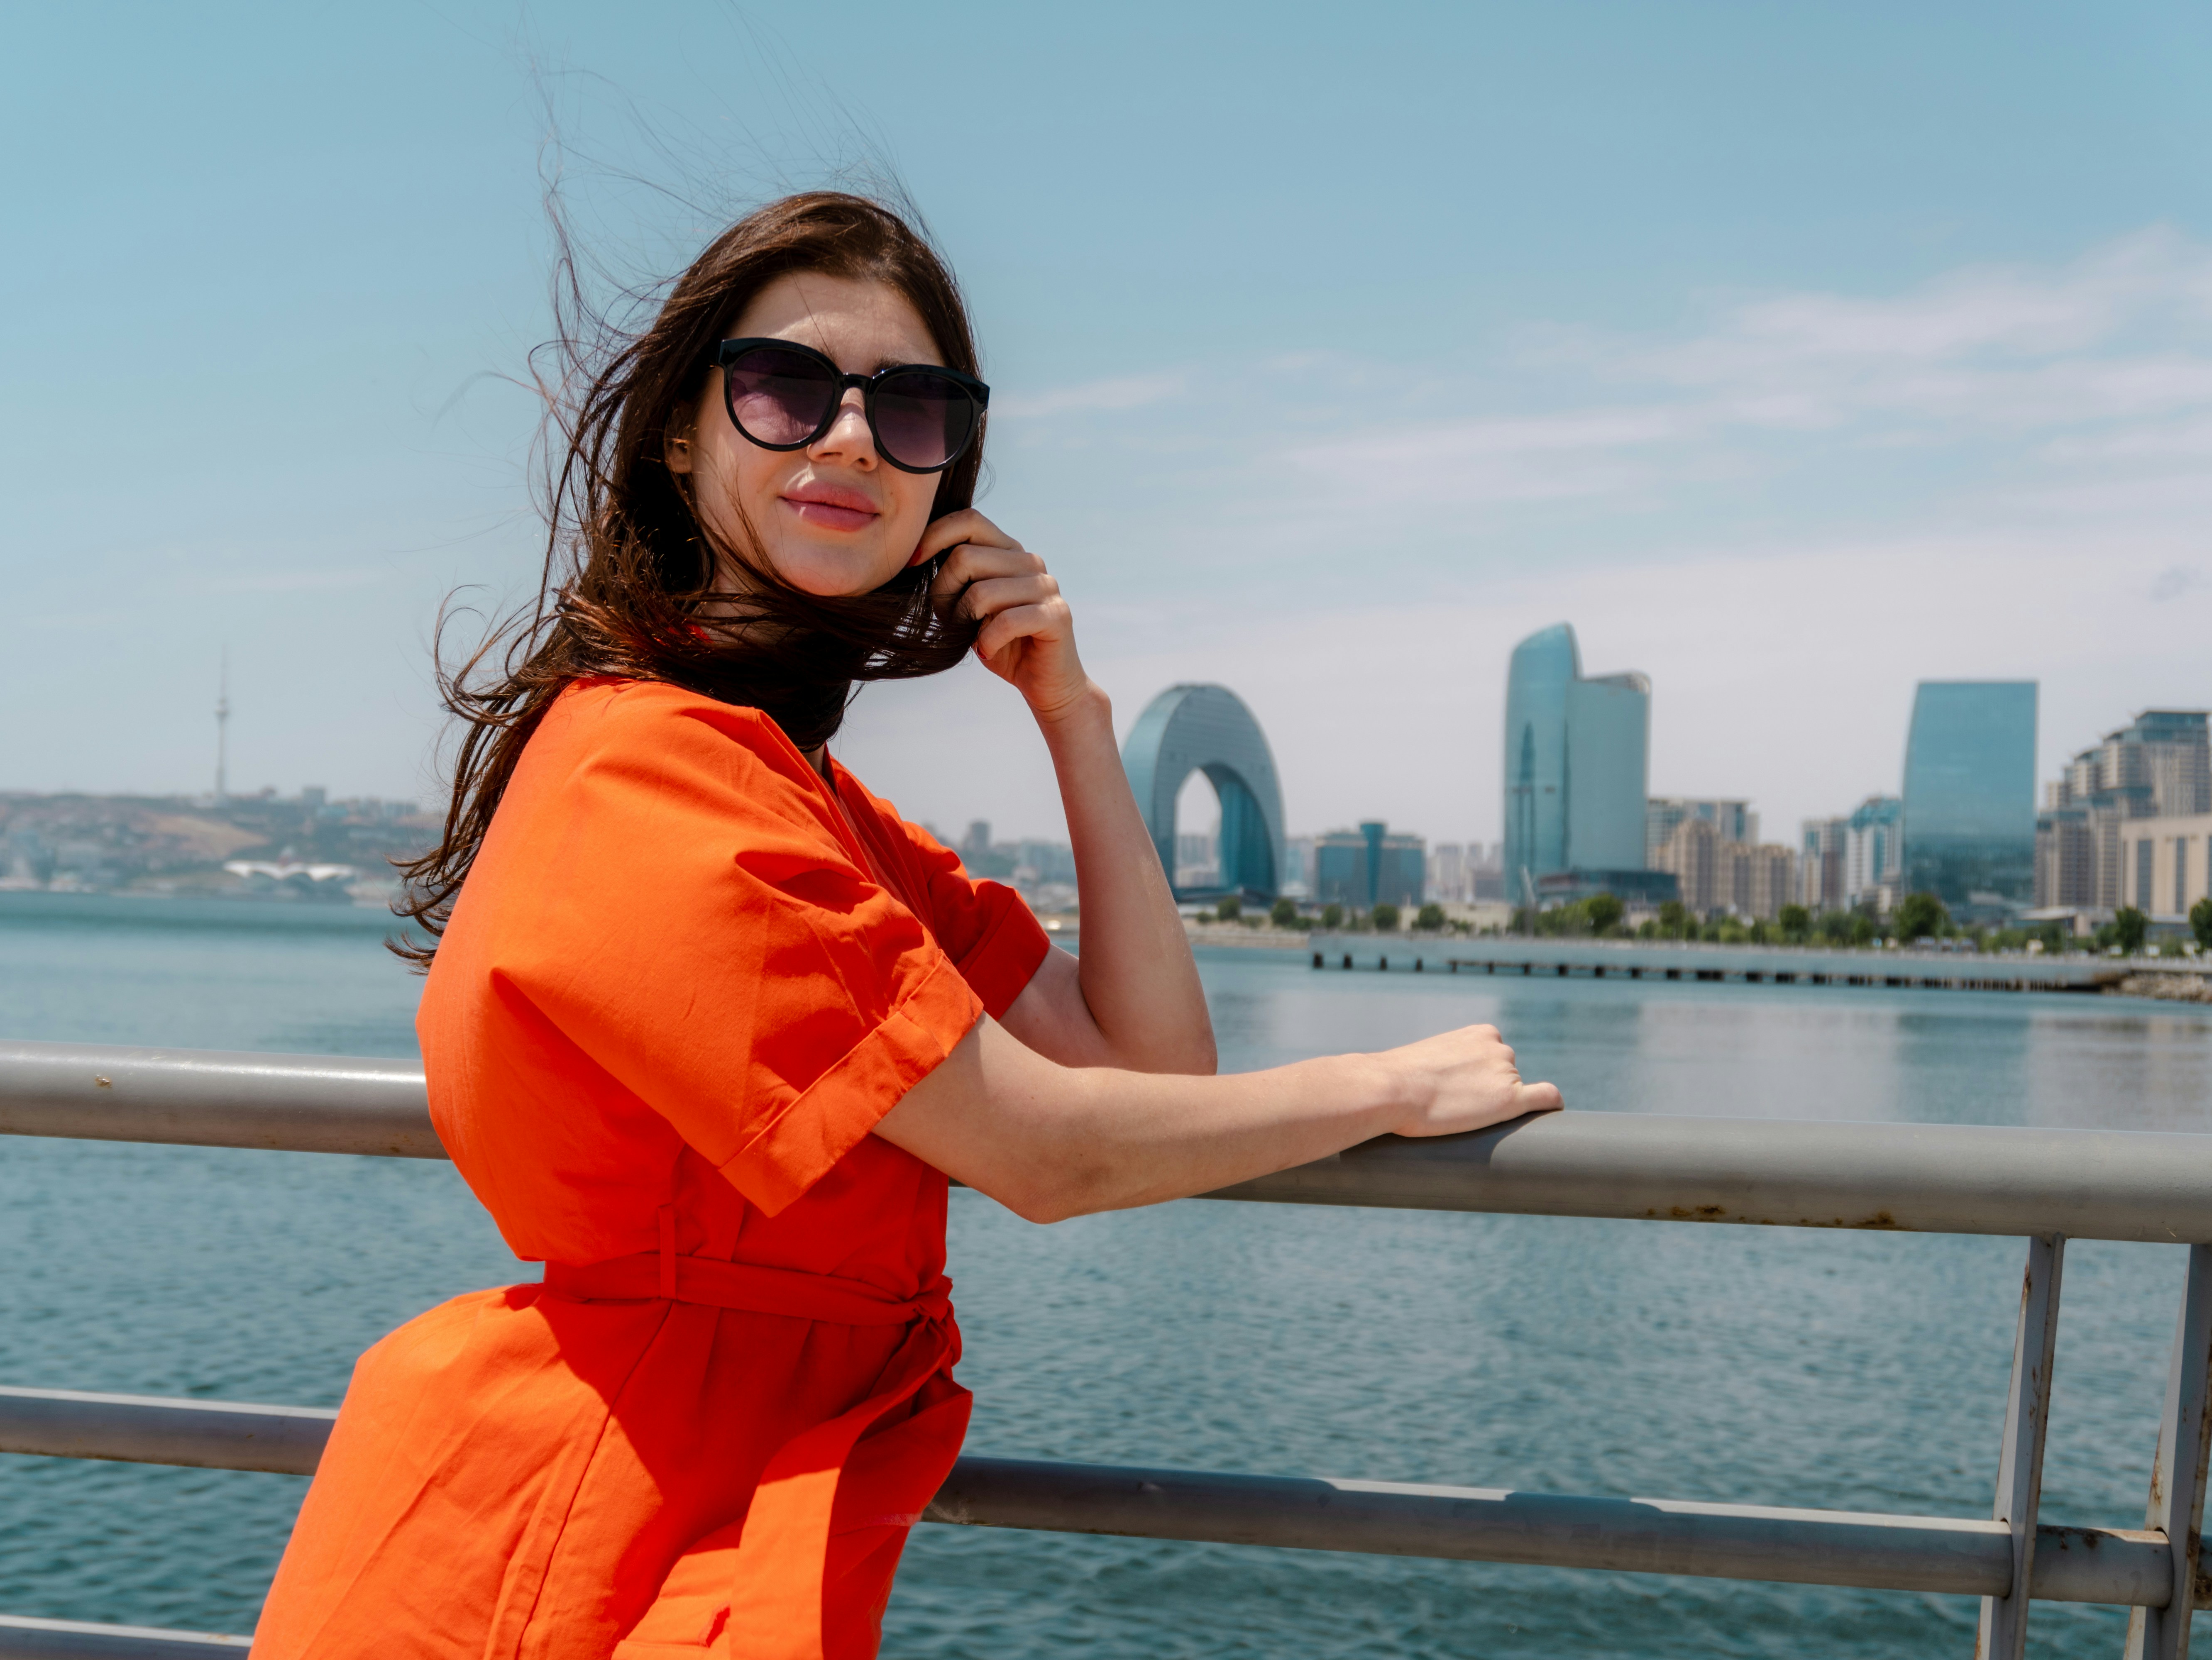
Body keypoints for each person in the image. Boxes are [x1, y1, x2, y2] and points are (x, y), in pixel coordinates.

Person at [250, 190, 1559, 1660]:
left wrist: (1074, 716)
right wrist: (1386, 1087)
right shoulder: (652, 775)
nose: (855, 438)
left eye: (913, 406)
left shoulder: (810, 803)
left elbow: (1150, 1073)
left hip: (701, 1503)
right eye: (785, 388)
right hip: (593, 1535)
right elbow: (1047, 1153)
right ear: (679, 432)